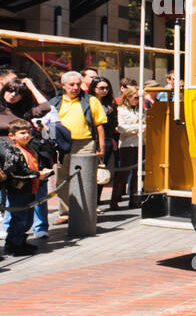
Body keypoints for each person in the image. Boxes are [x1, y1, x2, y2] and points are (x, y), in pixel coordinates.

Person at [52, 70, 107, 219]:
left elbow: (99, 125)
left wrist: (101, 146)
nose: (75, 87)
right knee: (61, 178)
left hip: (85, 143)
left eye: (78, 84)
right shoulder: (55, 102)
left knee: (85, 178)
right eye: (71, 84)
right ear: (63, 85)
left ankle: (85, 213)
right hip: (61, 146)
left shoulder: (91, 100)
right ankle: (65, 213)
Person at [1, 119, 51, 256]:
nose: (26, 136)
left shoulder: (29, 148)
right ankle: (14, 245)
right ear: (12, 136)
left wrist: (39, 173)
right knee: (20, 218)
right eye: (22, 133)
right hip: (18, 189)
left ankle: (19, 241)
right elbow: (19, 171)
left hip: (30, 188)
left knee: (27, 218)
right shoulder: (13, 151)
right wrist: (38, 174)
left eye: (28, 132)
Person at [112, 83, 144, 209]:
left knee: (137, 173)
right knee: (123, 174)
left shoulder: (139, 110)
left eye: (139, 98)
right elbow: (121, 128)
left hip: (139, 144)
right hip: (127, 145)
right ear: (128, 97)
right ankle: (114, 200)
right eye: (136, 98)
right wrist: (139, 127)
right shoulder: (120, 110)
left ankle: (134, 199)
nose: (138, 100)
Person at [90, 78, 119, 207]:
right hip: (91, 140)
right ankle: (90, 203)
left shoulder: (110, 103)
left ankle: (96, 202)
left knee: (101, 171)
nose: (105, 90)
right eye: (101, 88)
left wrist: (113, 138)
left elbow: (114, 123)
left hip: (106, 140)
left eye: (107, 88)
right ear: (94, 88)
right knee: (91, 173)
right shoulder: (88, 101)